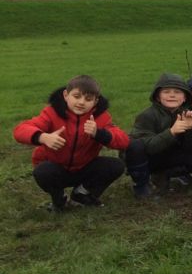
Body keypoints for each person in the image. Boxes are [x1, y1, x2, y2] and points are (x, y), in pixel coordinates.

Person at [14, 75, 130, 211]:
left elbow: (124, 141)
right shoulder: (51, 113)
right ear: (66, 95)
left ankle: (81, 194)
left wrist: (98, 133)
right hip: (57, 168)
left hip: (84, 168)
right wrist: (43, 137)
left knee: (115, 166)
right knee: (43, 171)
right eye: (76, 96)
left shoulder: (100, 117)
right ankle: (59, 199)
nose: (81, 102)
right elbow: (20, 130)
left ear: (95, 101)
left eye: (88, 99)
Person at [124, 73, 192, 199]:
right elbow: (147, 147)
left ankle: (165, 174)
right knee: (136, 147)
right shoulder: (147, 116)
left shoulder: (187, 114)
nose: (172, 95)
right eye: (166, 92)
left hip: (170, 154)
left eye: (177, 92)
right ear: (158, 97)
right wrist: (172, 132)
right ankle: (141, 184)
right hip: (149, 158)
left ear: (184, 98)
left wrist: (191, 129)